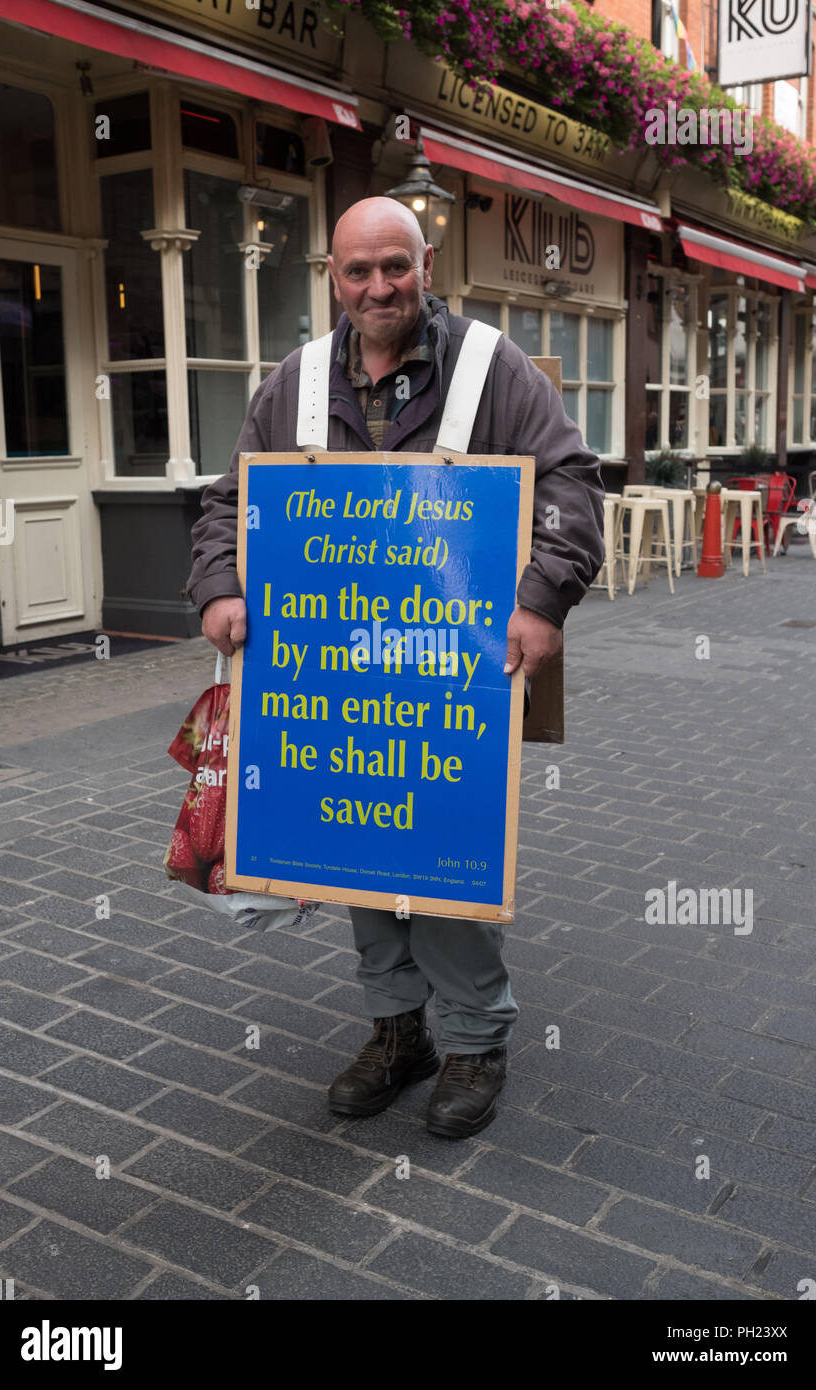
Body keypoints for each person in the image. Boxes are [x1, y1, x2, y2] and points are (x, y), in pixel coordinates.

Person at [187, 196, 604, 1138]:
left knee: (444, 848)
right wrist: (218, 586)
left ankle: (473, 1039)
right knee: (350, 847)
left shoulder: (492, 366)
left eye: (396, 267)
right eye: (357, 271)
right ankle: (396, 1031)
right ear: (331, 278)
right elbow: (228, 502)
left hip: (453, 670)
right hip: (328, 674)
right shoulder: (293, 381)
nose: (379, 287)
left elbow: (573, 484)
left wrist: (542, 600)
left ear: (427, 264)